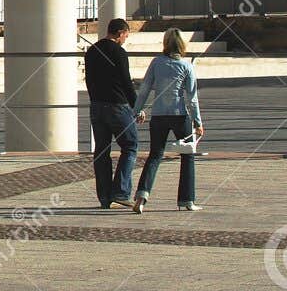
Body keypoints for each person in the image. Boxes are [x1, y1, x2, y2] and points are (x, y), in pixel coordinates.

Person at [131, 28, 205, 213]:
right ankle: (186, 200)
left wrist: (137, 110)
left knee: (155, 155)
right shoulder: (186, 66)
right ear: (182, 45)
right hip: (180, 115)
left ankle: (141, 198)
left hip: (158, 116)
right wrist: (198, 122)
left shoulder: (156, 62)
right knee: (187, 156)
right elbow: (192, 97)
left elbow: (145, 88)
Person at [84, 18, 138, 209]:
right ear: (119, 33)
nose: (125, 40)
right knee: (130, 145)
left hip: (97, 105)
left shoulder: (91, 51)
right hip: (117, 105)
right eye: (125, 36)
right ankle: (121, 192)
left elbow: (89, 79)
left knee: (101, 151)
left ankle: (105, 197)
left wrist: (94, 100)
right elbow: (126, 81)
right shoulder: (119, 52)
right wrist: (136, 106)